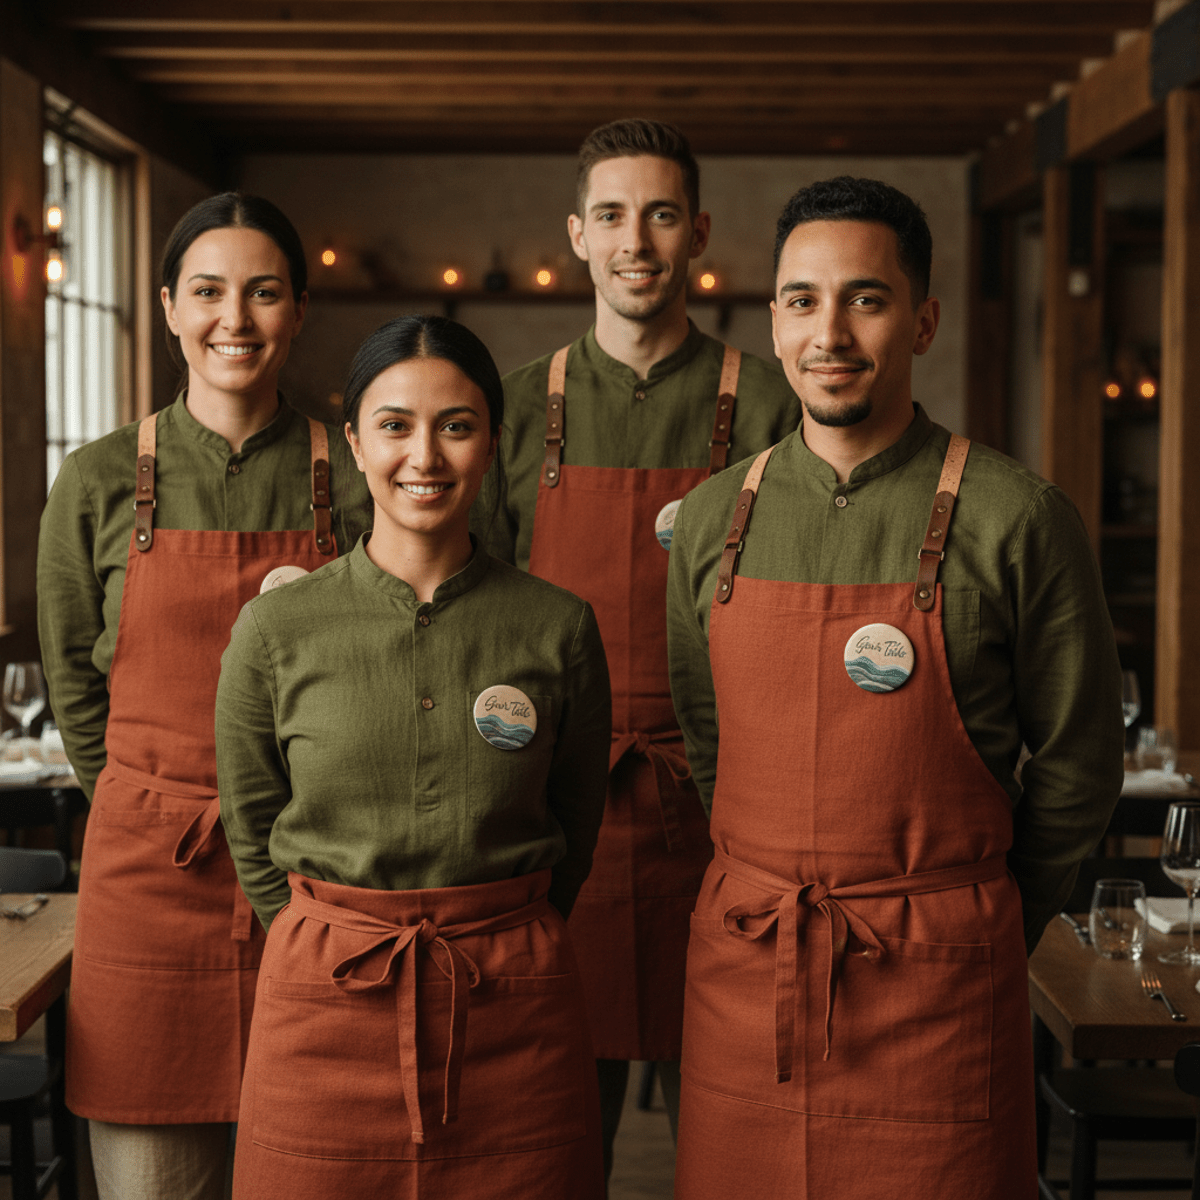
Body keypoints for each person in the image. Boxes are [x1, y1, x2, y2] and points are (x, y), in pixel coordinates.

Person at [665, 176, 1124, 1198]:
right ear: (774, 319)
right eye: (801, 300)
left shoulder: (1021, 517)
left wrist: (980, 910)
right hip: (753, 970)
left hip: (943, 987)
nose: (829, 331)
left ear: (921, 320)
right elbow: (708, 741)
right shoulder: (705, 524)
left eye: (864, 299)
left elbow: (1082, 762)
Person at [215, 314, 611, 1198]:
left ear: (493, 446)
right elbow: (251, 826)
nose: (423, 455)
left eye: (456, 426)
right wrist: (325, 937)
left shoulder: (558, 627)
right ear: (355, 442)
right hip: (326, 1003)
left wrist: (505, 930)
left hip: (514, 1004)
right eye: (395, 425)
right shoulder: (275, 631)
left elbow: (575, 828)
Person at [474, 117, 801, 1171]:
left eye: (661, 215)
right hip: (553, 804)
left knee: (737, 1120)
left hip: (723, 801)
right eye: (612, 215)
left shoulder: (767, 405)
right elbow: (477, 611)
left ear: (698, 232)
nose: (636, 241)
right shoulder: (515, 410)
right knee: (559, 1130)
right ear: (576, 234)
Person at [36, 192, 372, 1199]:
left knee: (310, 1163)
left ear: (298, 311)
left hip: (314, 873)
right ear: (172, 308)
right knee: (151, 1178)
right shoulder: (96, 481)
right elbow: (70, 680)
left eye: (263, 292)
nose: (236, 317)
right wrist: (145, 797)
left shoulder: (352, 479)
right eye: (211, 292)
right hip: (148, 879)